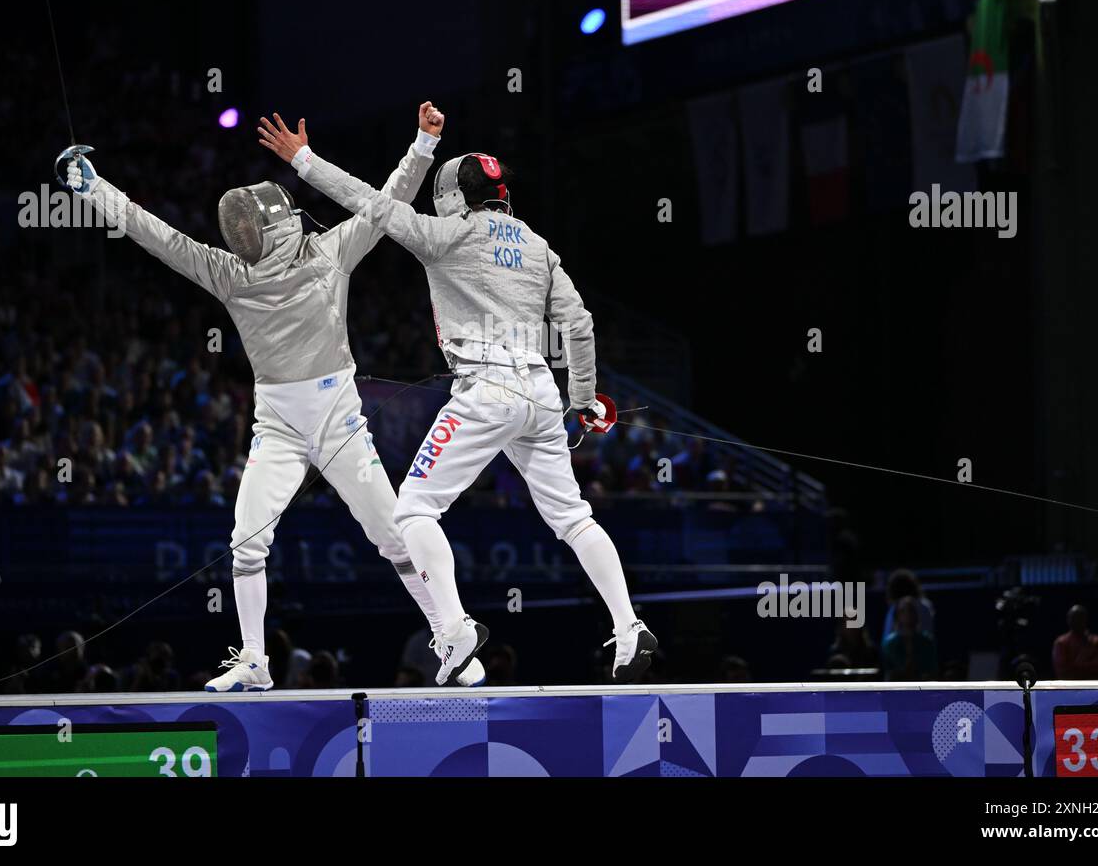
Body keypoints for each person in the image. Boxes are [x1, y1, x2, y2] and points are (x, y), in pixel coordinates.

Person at [60, 102, 483, 691]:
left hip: (339, 424)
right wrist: (94, 188)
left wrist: (422, 145)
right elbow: (154, 233)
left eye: (245, 229)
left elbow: (387, 205)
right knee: (247, 539)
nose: (238, 237)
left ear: (269, 226)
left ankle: (451, 639)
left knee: (392, 536)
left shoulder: (310, 257)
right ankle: (255, 660)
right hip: (279, 425)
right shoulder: (240, 271)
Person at [259, 112, 655, 685]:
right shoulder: (539, 247)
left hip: (487, 391)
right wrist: (584, 398)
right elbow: (580, 324)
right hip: (542, 393)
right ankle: (628, 626)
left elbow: (371, 203)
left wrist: (302, 159)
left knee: (414, 509)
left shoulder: (444, 234)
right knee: (572, 516)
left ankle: (454, 633)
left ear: (451, 198)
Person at [1051, 604, 1098, 680]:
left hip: (1092, 685)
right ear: (1068, 620)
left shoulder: (1097, 642)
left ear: (1085, 619)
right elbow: (1062, 670)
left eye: (1080, 617)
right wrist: (1086, 665)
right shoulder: (1061, 643)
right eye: (1073, 618)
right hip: (1068, 686)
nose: (1076, 621)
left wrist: (1076, 665)